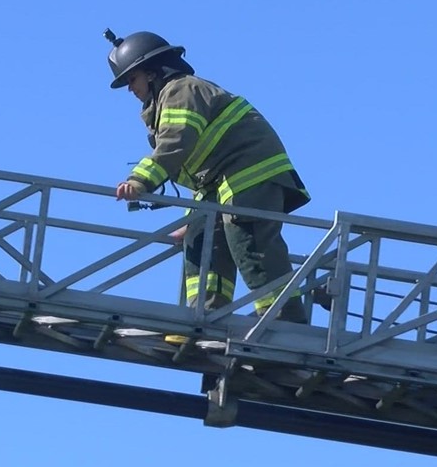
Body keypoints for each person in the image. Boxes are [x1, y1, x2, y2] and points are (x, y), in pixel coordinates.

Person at [104, 28, 312, 332]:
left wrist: (140, 182)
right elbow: (203, 176)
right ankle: (206, 316)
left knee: (248, 238)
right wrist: (193, 220)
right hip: (222, 182)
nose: (129, 89)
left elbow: (175, 144)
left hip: (249, 174)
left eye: (131, 79)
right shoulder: (165, 102)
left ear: (150, 73)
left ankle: (283, 319)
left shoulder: (181, 90)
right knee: (200, 238)